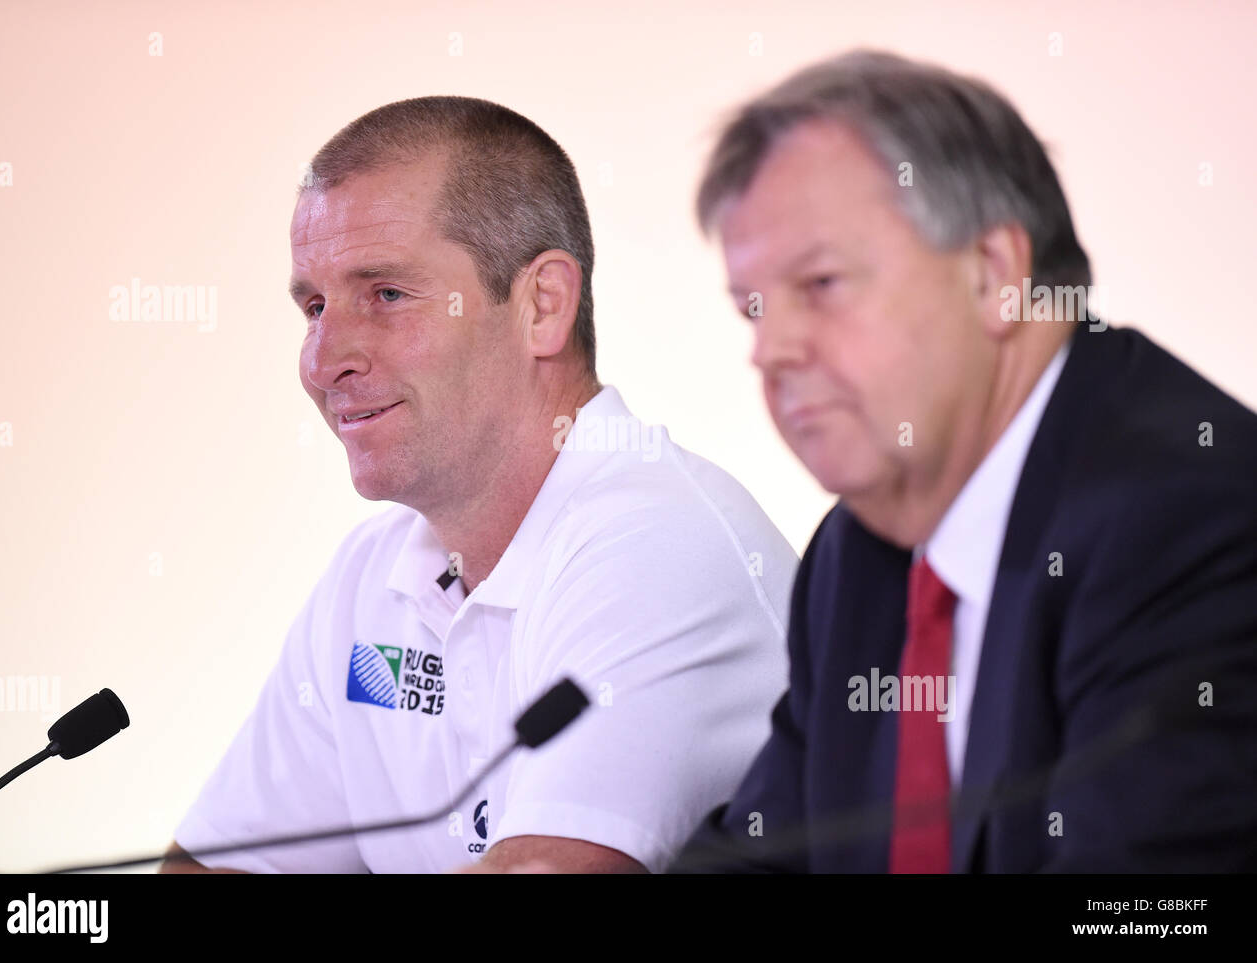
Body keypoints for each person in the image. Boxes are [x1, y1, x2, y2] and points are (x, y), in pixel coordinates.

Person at [161, 96, 795, 873]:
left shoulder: (654, 545)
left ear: (543, 305)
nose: (324, 363)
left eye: (387, 295)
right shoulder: (369, 578)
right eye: (314, 306)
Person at [672, 50, 1257, 872]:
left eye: (823, 284)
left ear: (992, 276)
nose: (771, 351)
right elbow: (768, 850)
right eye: (753, 311)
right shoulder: (859, 550)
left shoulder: (1189, 514)